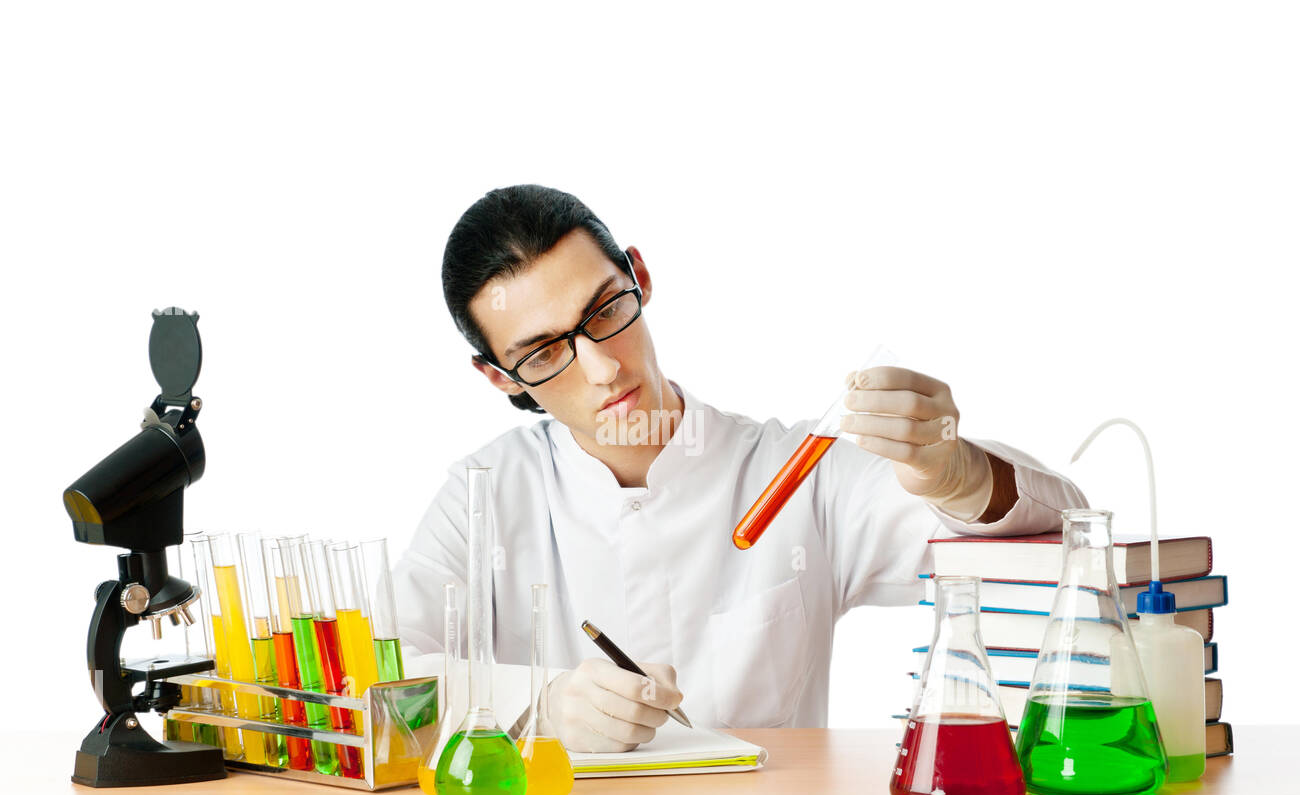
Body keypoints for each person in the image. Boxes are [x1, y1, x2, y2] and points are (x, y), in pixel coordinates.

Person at [393, 184, 1087, 752]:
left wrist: (955, 473)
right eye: (544, 352)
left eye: (606, 309)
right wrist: (540, 705)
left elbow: (1065, 549)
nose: (602, 368)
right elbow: (383, 687)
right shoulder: (484, 495)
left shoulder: (797, 474)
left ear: (640, 275)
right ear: (499, 377)